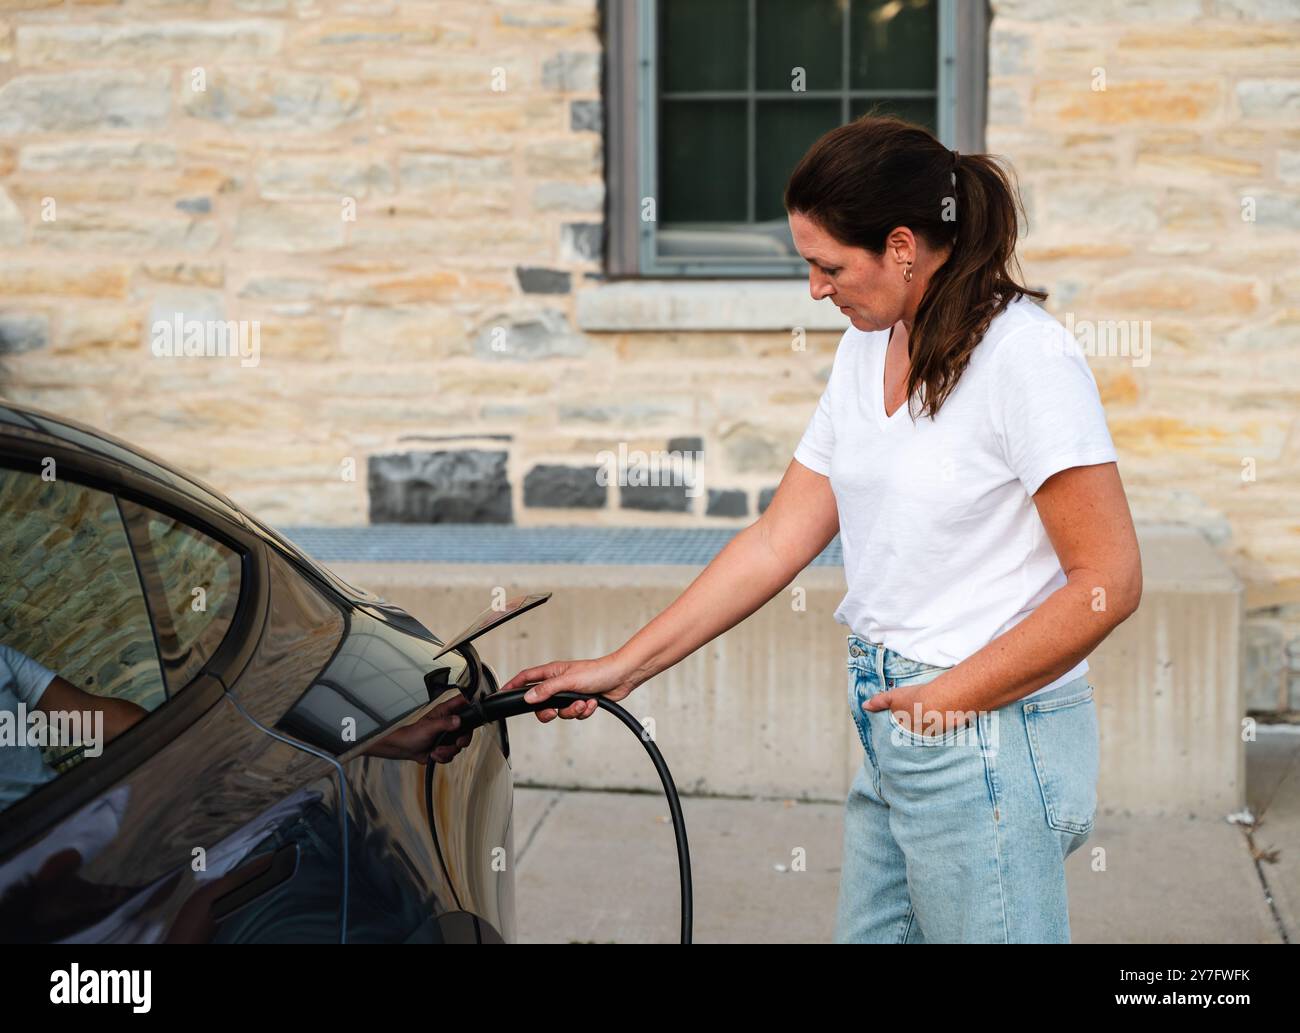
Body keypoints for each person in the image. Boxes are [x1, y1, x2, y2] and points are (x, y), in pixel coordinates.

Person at [500, 115, 1142, 943]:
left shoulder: (1026, 359)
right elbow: (778, 539)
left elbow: (1109, 580)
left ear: (903, 246)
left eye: (828, 265)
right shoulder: (866, 348)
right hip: (895, 721)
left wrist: (948, 698)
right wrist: (624, 666)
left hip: (986, 734)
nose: (815, 289)